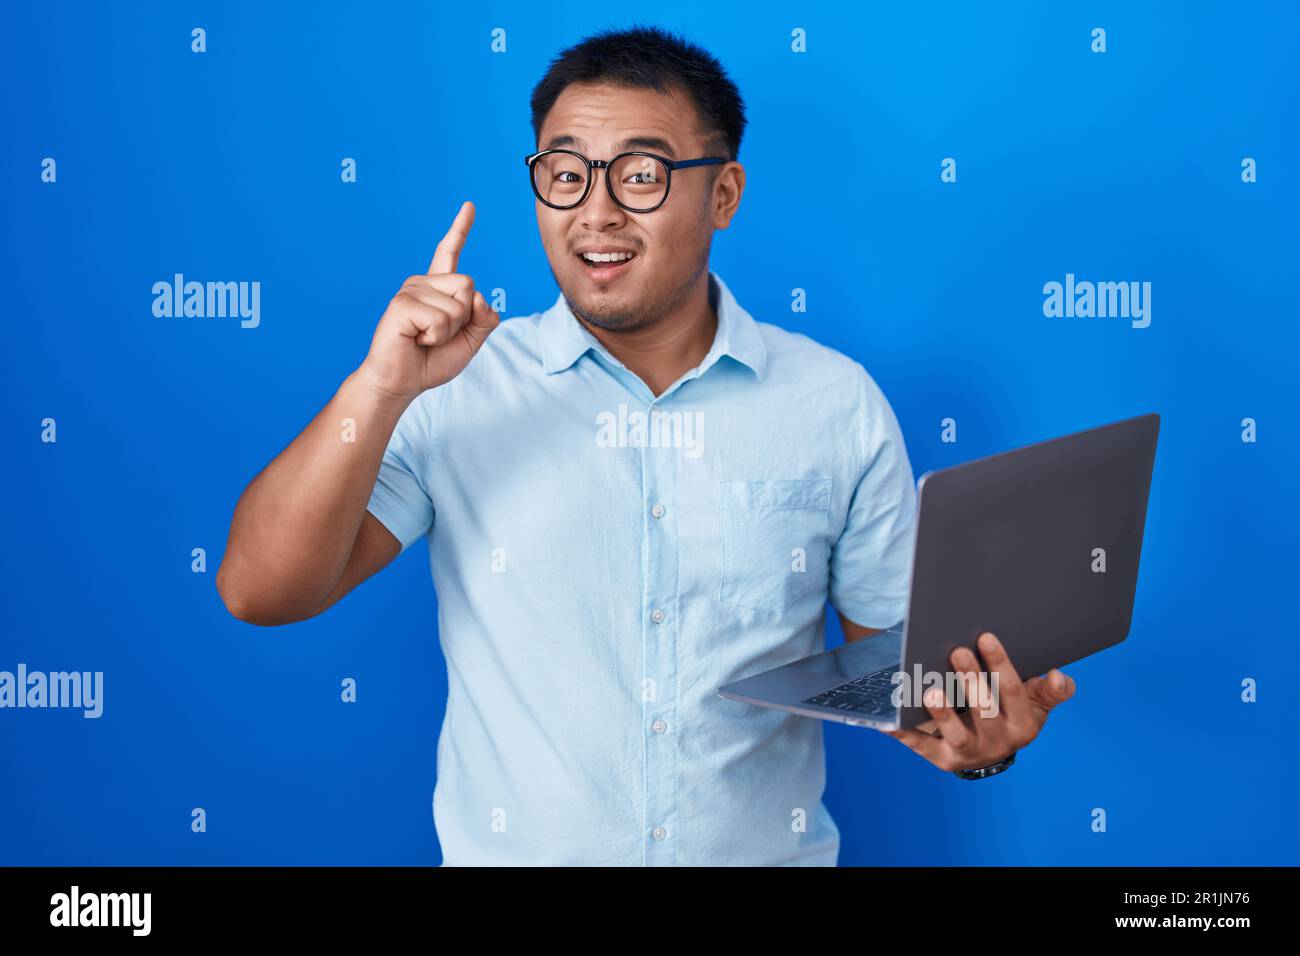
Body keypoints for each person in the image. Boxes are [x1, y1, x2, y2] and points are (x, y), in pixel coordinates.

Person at [216, 25, 1074, 866]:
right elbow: (263, 590)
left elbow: (907, 674)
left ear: (724, 195)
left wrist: (979, 735)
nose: (596, 211)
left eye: (641, 174)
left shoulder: (833, 400)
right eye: (564, 173)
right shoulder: (457, 387)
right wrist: (379, 386)